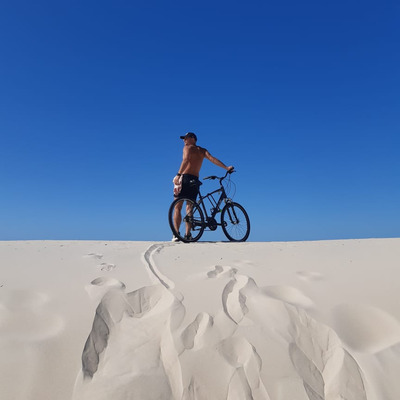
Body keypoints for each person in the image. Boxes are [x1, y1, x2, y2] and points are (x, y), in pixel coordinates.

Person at [172, 132, 234, 241]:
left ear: (192, 138)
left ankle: (176, 234)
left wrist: (178, 174)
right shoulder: (202, 150)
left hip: (185, 178)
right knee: (189, 207)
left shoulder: (188, 147)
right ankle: (188, 235)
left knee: (177, 206)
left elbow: (186, 160)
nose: (184, 141)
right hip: (195, 180)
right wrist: (226, 167)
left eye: (185, 138)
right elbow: (212, 159)